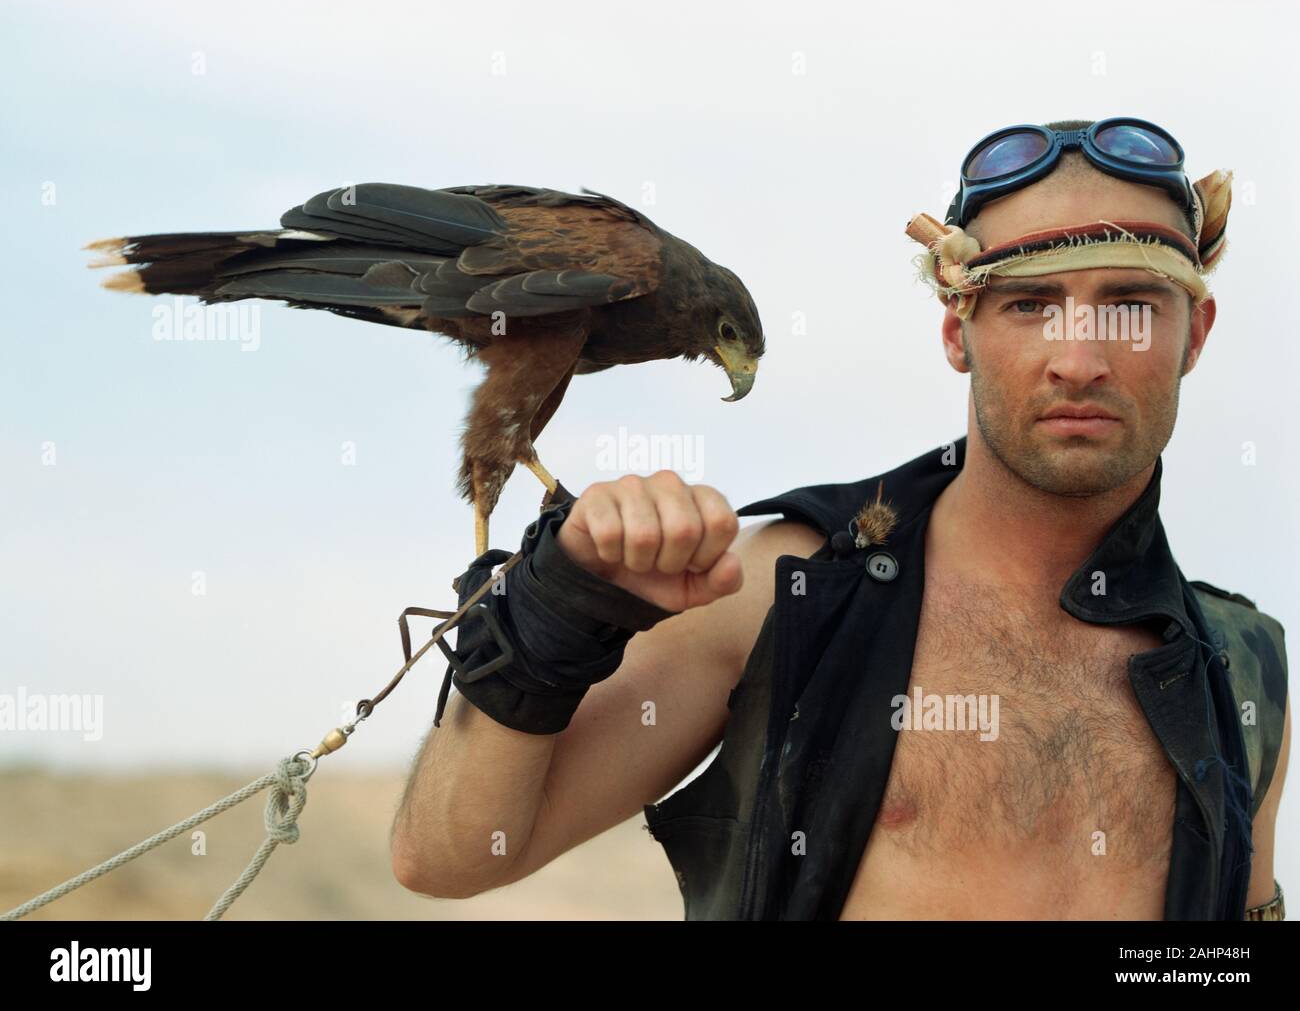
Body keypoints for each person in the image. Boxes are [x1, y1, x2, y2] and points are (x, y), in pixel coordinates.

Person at [389, 119, 1290, 920]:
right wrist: (552, 616)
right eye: (1029, 305)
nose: (1081, 359)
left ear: (1196, 334)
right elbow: (448, 857)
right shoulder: (785, 590)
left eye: (1131, 305)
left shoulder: (1243, 667)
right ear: (957, 330)